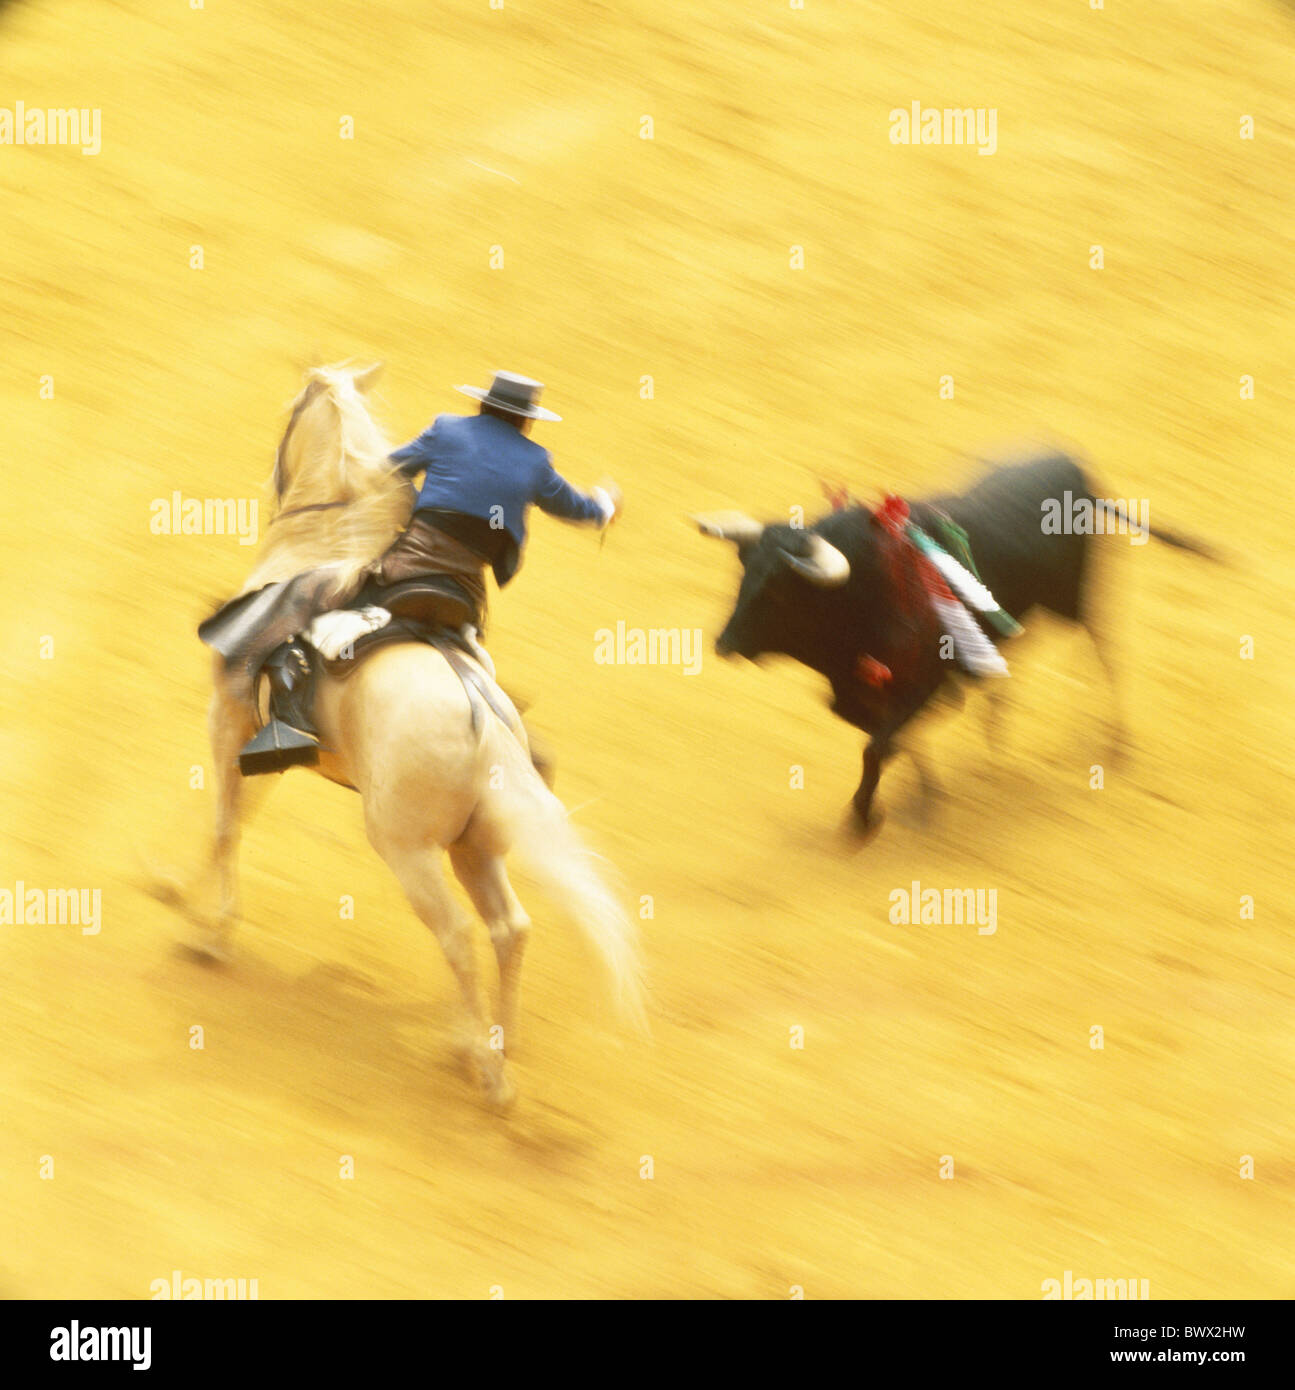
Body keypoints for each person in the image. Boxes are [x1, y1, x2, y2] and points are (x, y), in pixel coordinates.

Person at [237, 371, 619, 773]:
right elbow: (576, 508)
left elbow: (390, 470)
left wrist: (424, 506)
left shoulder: (448, 429)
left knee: (313, 611)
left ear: (482, 405)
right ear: (526, 420)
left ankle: (288, 722)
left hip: (406, 572)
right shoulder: (536, 461)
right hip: (464, 597)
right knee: (467, 657)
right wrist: (605, 507)